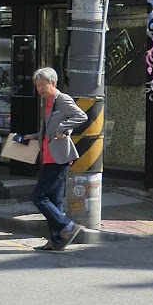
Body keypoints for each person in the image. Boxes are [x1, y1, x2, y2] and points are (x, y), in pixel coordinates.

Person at [30, 66, 89, 251]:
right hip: (49, 155)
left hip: (59, 156)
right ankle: (56, 240)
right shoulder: (48, 101)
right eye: (37, 85)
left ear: (53, 83)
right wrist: (33, 136)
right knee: (54, 201)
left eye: (42, 84)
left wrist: (63, 128)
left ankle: (67, 226)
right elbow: (49, 128)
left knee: (39, 197)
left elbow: (81, 116)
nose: (39, 88)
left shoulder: (61, 99)